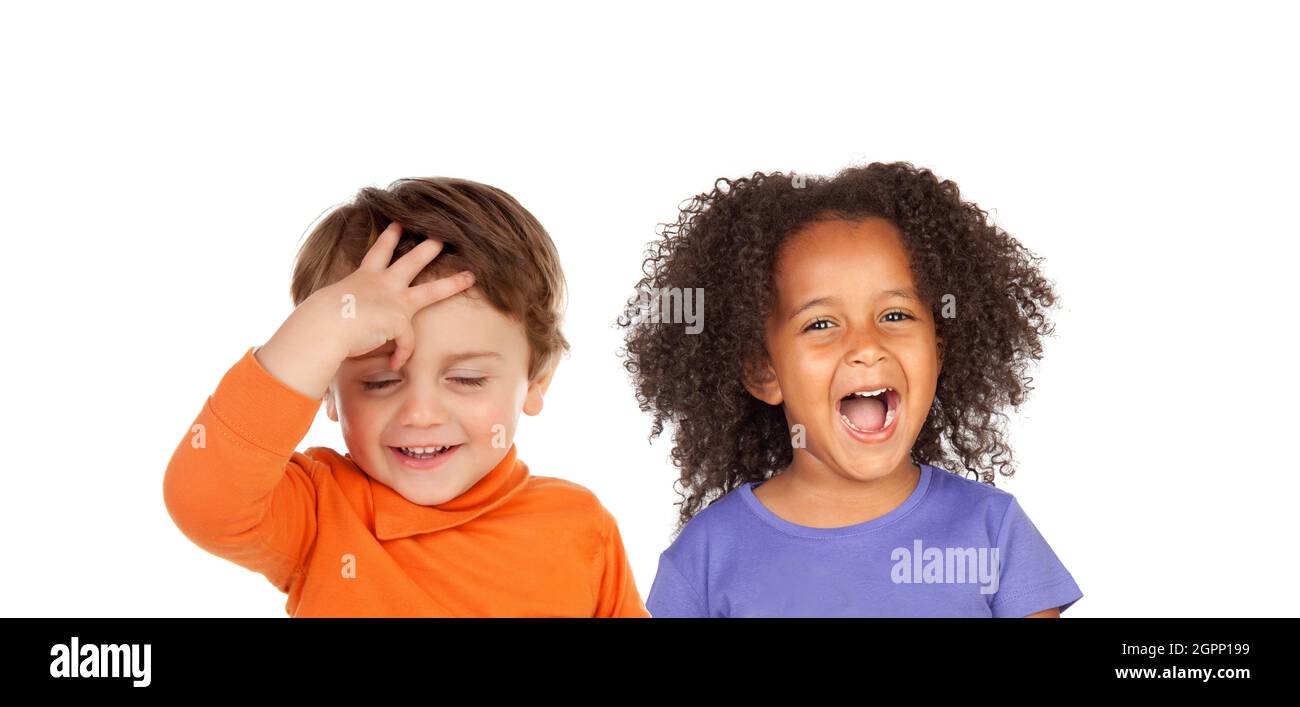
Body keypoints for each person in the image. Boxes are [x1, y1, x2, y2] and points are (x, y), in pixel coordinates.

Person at [164, 177, 648, 617]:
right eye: (379, 382)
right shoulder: (319, 510)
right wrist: (321, 329)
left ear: (537, 379)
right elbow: (205, 502)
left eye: (467, 379)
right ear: (328, 390)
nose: (420, 414)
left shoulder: (581, 527)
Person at [620, 162, 1082, 617]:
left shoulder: (992, 530)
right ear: (765, 372)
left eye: (895, 315)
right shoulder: (706, 558)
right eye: (821, 323)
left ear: (937, 352)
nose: (866, 347)